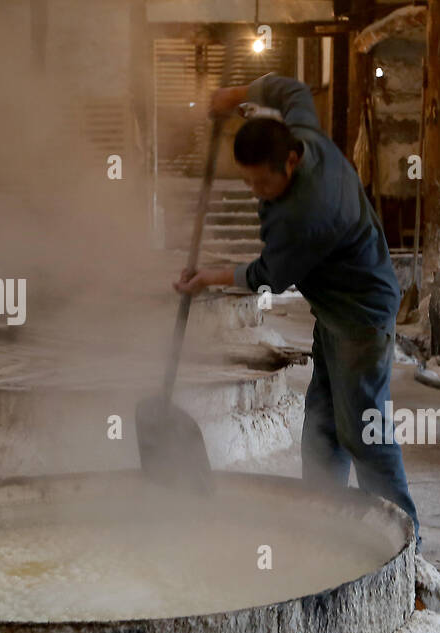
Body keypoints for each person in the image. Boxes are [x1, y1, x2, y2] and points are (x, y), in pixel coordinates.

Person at [173, 73, 421, 545]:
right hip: (335, 310)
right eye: (246, 180)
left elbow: (269, 274)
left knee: (364, 433)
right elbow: (293, 91)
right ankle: (322, 522)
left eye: (261, 181)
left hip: (360, 318)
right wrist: (238, 94)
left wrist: (210, 276)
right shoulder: (303, 135)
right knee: (323, 426)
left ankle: (402, 550)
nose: (255, 191)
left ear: (289, 162)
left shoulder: (307, 212)